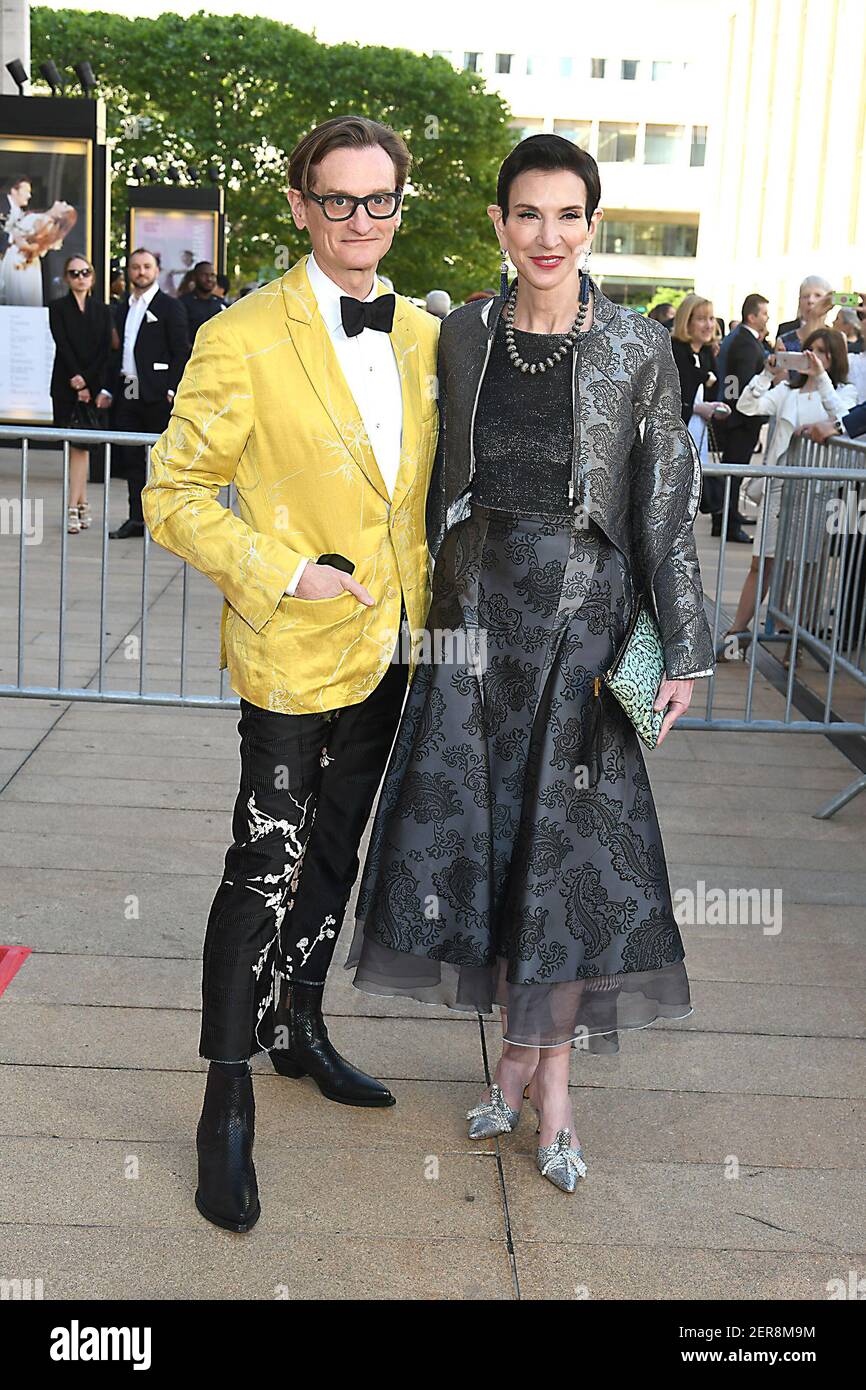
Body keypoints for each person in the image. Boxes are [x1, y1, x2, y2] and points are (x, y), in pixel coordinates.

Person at [346, 134, 715, 1195]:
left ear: (590, 225)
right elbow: (415, 478)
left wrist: (683, 650)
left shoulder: (639, 349)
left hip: (579, 640)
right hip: (470, 632)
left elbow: (661, 517)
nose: (544, 236)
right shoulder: (459, 335)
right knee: (492, 851)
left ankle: (549, 1088)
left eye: (566, 216)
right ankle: (515, 1058)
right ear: (500, 224)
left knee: (558, 862)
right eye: (525, 215)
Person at [141, 115, 439, 1234]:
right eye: (337, 200)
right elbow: (168, 496)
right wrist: (282, 571)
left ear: (395, 208)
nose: (359, 222)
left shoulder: (423, 334)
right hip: (289, 647)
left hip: (394, 647)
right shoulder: (242, 333)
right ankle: (224, 1097)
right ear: (300, 205)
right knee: (261, 866)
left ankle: (298, 1025)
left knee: (335, 853)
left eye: (379, 202)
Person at [718, 328, 856, 655]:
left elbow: (844, 417)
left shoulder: (842, 391)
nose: (815, 358)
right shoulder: (787, 391)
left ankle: (794, 638)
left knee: (805, 567)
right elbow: (748, 405)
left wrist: (821, 378)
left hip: (814, 492)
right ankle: (737, 632)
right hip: (779, 489)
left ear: (835, 358)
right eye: (810, 351)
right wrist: (768, 372)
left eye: (823, 352)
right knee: (762, 562)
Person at [103, 247, 190, 538]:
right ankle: (136, 519)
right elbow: (118, 350)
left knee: (159, 461)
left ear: (156, 271)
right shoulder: (122, 307)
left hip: (157, 394)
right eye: (136, 267)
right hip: (127, 390)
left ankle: (163, 523)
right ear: (129, 271)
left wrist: (171, 389)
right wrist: (107, 387)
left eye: (147, 267)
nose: (141, 272)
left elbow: (182, 351)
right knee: (130, 459)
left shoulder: (170, 306)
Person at [48, 255, 113, 533]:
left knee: (81, 447)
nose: (80, 277)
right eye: (74, 273)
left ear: (93, 277)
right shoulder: (57, 307)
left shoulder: (103, 310)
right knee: (75, 447)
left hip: (92, 386)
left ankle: (75, 506)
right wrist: (77, 380)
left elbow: (103, 350)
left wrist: (88, 384)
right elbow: (61, 343)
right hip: (65, 384)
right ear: (66, 278)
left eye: (85, 272)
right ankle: (79, 504)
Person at [670, 294, 744, 539]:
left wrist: (714, 407)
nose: (709, 325)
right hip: (674, 441)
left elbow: (712, 389)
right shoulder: (675, 351)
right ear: (686, 322)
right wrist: (697, 406)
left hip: (698, 436)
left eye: (711, 318)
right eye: (701, 319)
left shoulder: (705, 354)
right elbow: (673, 397)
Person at [713, 293, 772, 537]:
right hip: (742, 420)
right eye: (764, 314)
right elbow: (742, 382)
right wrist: (740, 410)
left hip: (737, 417)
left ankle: (728, 518)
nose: (768, 318)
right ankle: (728, 523)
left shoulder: (740, 339)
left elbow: (733, 382)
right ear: (752, 316)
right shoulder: (745, 343)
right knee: (733, 474)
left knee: (733, 472)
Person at [178, 260, 225, 340]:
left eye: (212, 275)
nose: (209, 279)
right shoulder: (182, 303)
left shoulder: (220, 303)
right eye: (204, 275)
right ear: (194, 277)